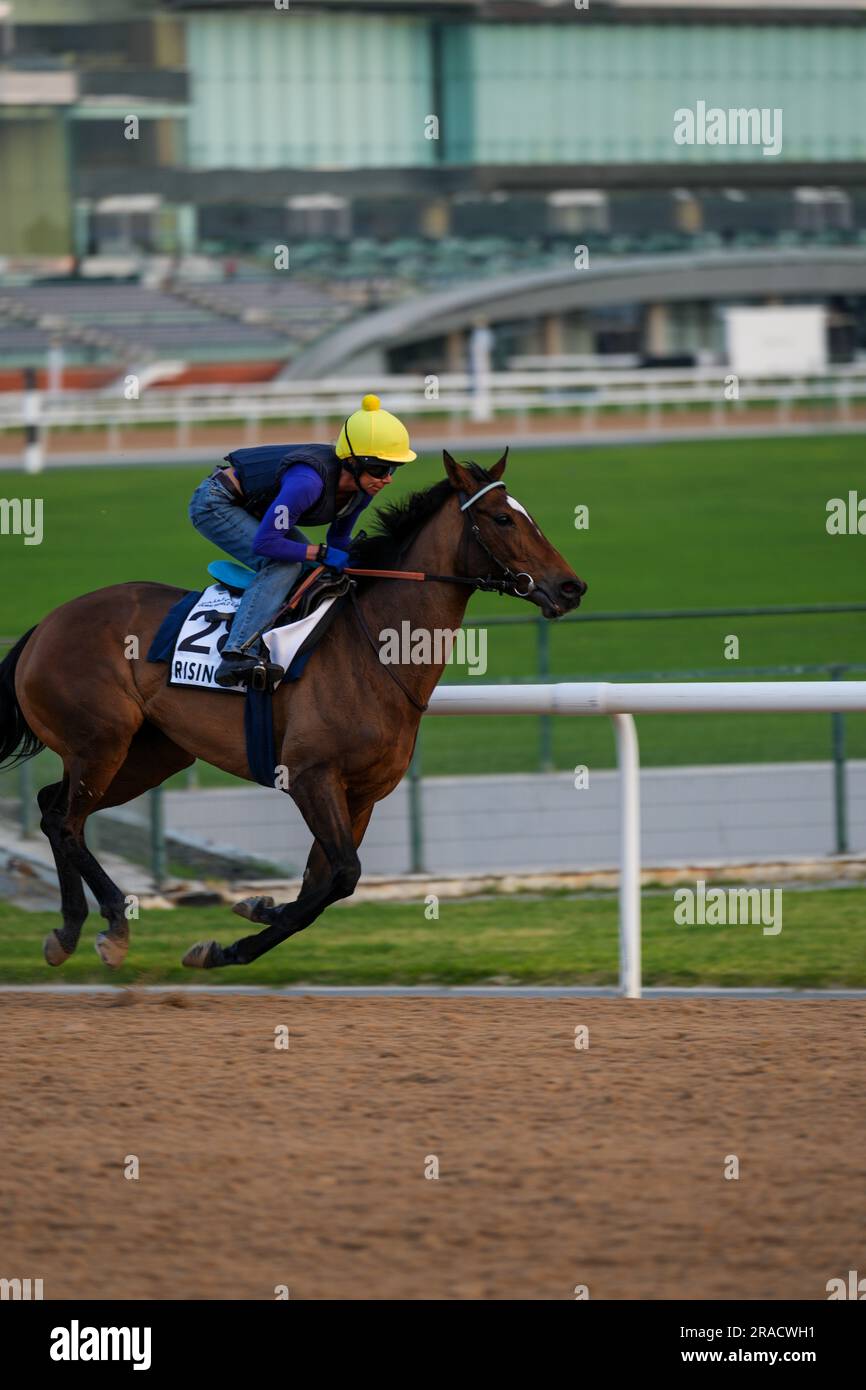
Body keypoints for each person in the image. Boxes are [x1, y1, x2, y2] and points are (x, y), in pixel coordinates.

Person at [188, 393, 417, 686]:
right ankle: (238, 653)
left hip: (257, 508)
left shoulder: (363, 490)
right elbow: (266, 544)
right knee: (283, 565)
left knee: (317, 572)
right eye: (380, 469)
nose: (387, 479)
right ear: (353, 463)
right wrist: (319, 552)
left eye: (393, 469)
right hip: (217, 503)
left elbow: (338, 539)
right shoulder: (307, 483)